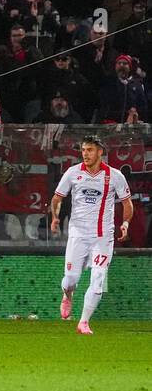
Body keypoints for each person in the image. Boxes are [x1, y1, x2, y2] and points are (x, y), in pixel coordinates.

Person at [50, 137, 132, 335]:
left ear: (100, 152)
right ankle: (67, 294)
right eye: (83, 150)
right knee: (71, 278)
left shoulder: (115, 176)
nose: (85, 154)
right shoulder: (73, 173)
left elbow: (127, 203)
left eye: (89, 150)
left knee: (98, 278)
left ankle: (83, 322)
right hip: (78, 234)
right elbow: (57, 198)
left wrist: (125, 223)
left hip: (103, 237)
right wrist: (55, 217)